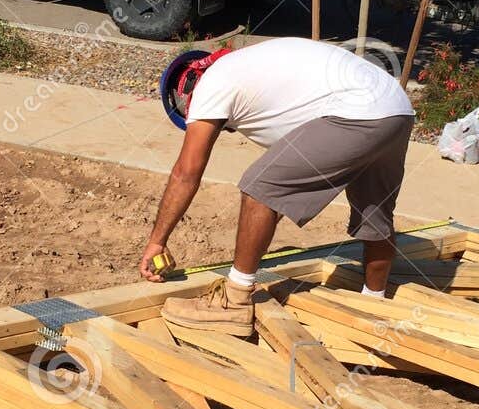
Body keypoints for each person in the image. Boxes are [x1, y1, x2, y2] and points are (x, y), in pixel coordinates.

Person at [140, 38, 415, 335]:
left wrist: (157, 240)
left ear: (186, 94)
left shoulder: (211, 85)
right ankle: (374, 303)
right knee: (374, 214)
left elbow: (186, 172)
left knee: (259, 188)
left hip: (357, 111)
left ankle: (235, 302)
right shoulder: (249, 69)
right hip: (396, 108)